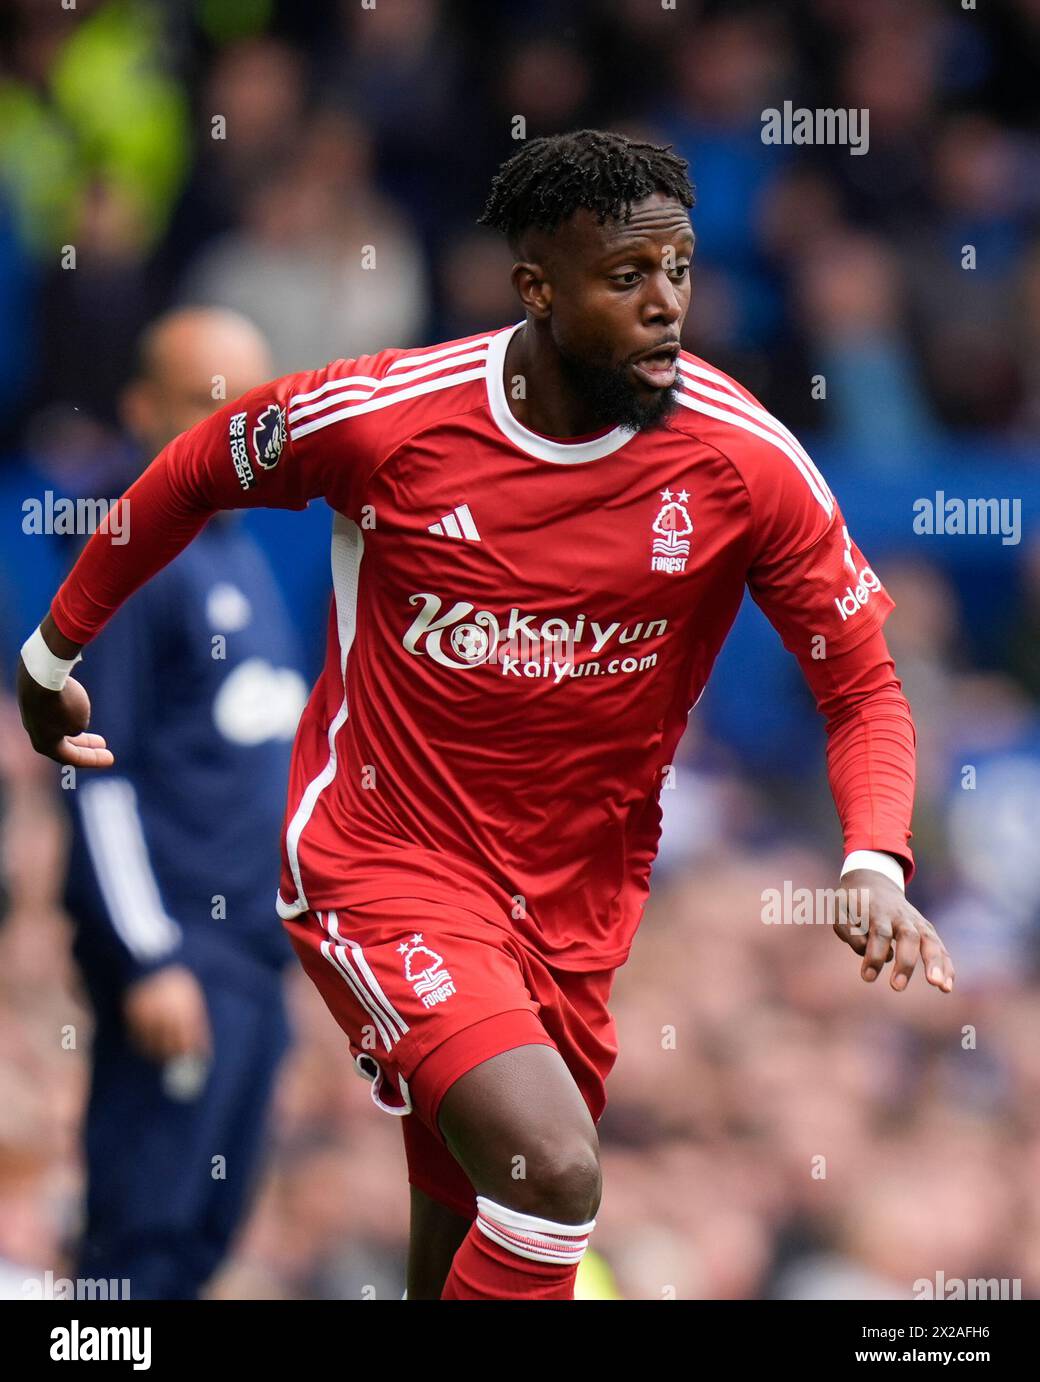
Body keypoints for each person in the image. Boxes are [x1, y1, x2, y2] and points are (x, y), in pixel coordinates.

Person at [17, 130, 955, 1302]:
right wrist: (54, 646)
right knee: (556, 1177)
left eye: (678, 269)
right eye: (626, 278)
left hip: (573, 910)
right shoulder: (388, 417)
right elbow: (198, 463)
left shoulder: (743, 460)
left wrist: (872, 856)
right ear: (536, 290)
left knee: (469, 1235)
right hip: (384, 859)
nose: (666, 305)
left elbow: (860, 679)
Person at [58, 308, 307, 1298]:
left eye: (251, 402)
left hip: (252, 958)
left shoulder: (238, 552)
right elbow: (92, 771)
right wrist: (148, 955)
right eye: (206, 402)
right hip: (181, 959)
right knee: (139, 1243)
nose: (234, 425)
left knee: (204, 1233)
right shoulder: (131, 554)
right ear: (142, 409)